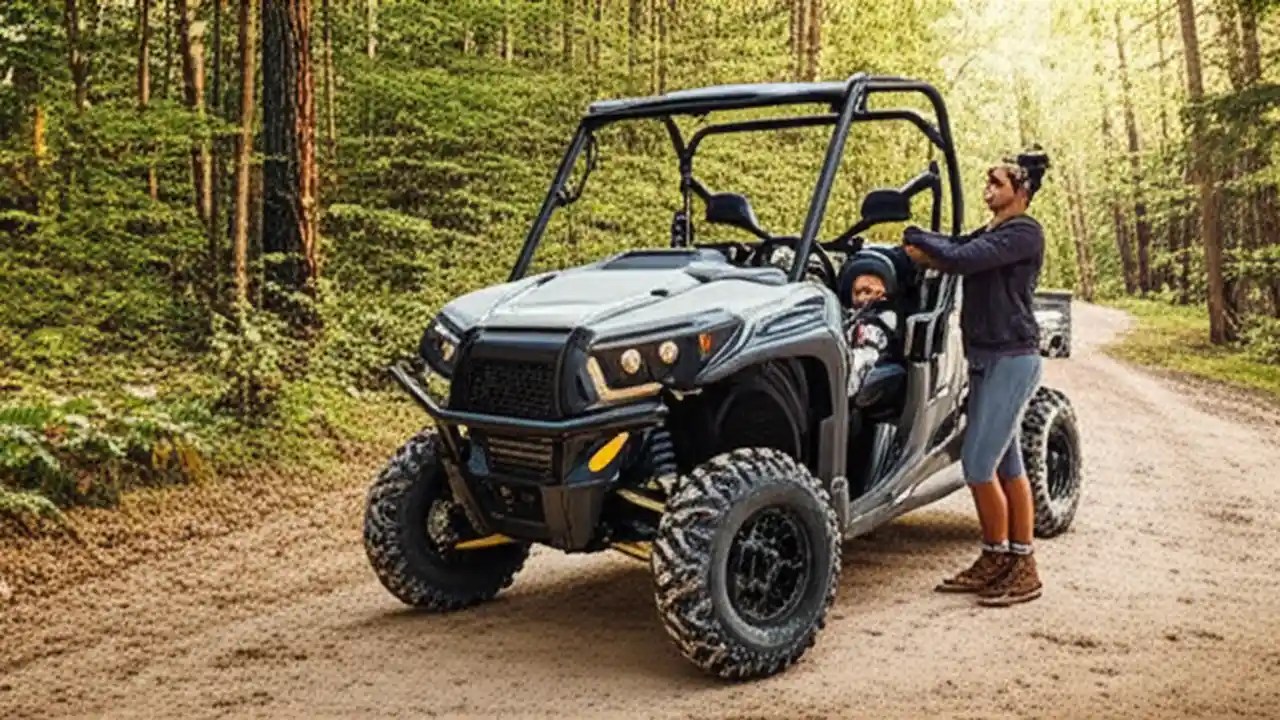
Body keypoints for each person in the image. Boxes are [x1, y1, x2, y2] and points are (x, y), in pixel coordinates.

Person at [901, 146, 1051, 607]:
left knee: (977, 464)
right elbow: (955, 249)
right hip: (985, 356)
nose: (988, 187)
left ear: (1020, 191)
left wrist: (922, 241)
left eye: (997, 182)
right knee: (1007, 465)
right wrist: (920, 247)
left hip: (1012, 356)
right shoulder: (992, 231)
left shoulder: (1024, 233)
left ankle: (1020, 565)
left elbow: (963, 257)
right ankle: (999, 558)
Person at [836, 247, 907, 398]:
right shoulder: (839, 314)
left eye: (879, 293)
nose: (872, 297)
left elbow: (866, 357)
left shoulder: (881, 321)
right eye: (865, 291)